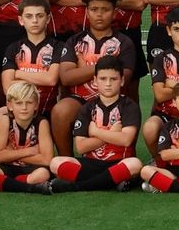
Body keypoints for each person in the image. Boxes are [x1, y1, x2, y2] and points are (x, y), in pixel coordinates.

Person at [56, 0, 142, 149]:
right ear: (87, 12)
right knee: (61, 111)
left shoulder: (124, 43)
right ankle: (65, 161)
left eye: (105, 9)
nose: (99, 14)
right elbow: (66, 78)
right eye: (94, 9)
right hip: (80, 99)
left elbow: (123, 77)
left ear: (115, 12)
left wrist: (83, 68)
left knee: (130, 109)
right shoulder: (74, 41)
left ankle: (126, 158)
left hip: (113, 100)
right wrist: (104, 63)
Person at [51, 59, 143, 190]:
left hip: (118, 162)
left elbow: (126, 140)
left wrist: (95, 132)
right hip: (91, 163)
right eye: (103, 79)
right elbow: (81, 147)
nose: (108, 84)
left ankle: (79, 186)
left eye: (113, 79)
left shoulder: (129, 106)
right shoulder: (87, 108)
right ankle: (110, 182)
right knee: (56, 162)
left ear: (122, 80)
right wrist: (112, 133)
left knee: (135, 164)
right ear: (95, 81)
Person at [0, 78, 59, 191]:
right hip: (8, 168)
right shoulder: (5, 121)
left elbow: (46, 159)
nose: (24, 108)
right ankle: (25, 186)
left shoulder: (42, 123)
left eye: (29, 103)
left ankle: (4, 184)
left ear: (36, 105)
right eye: (18, 103)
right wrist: (29, 151)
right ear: (9, 105)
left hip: (32, 168)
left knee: (43, 174)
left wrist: (10, 154)